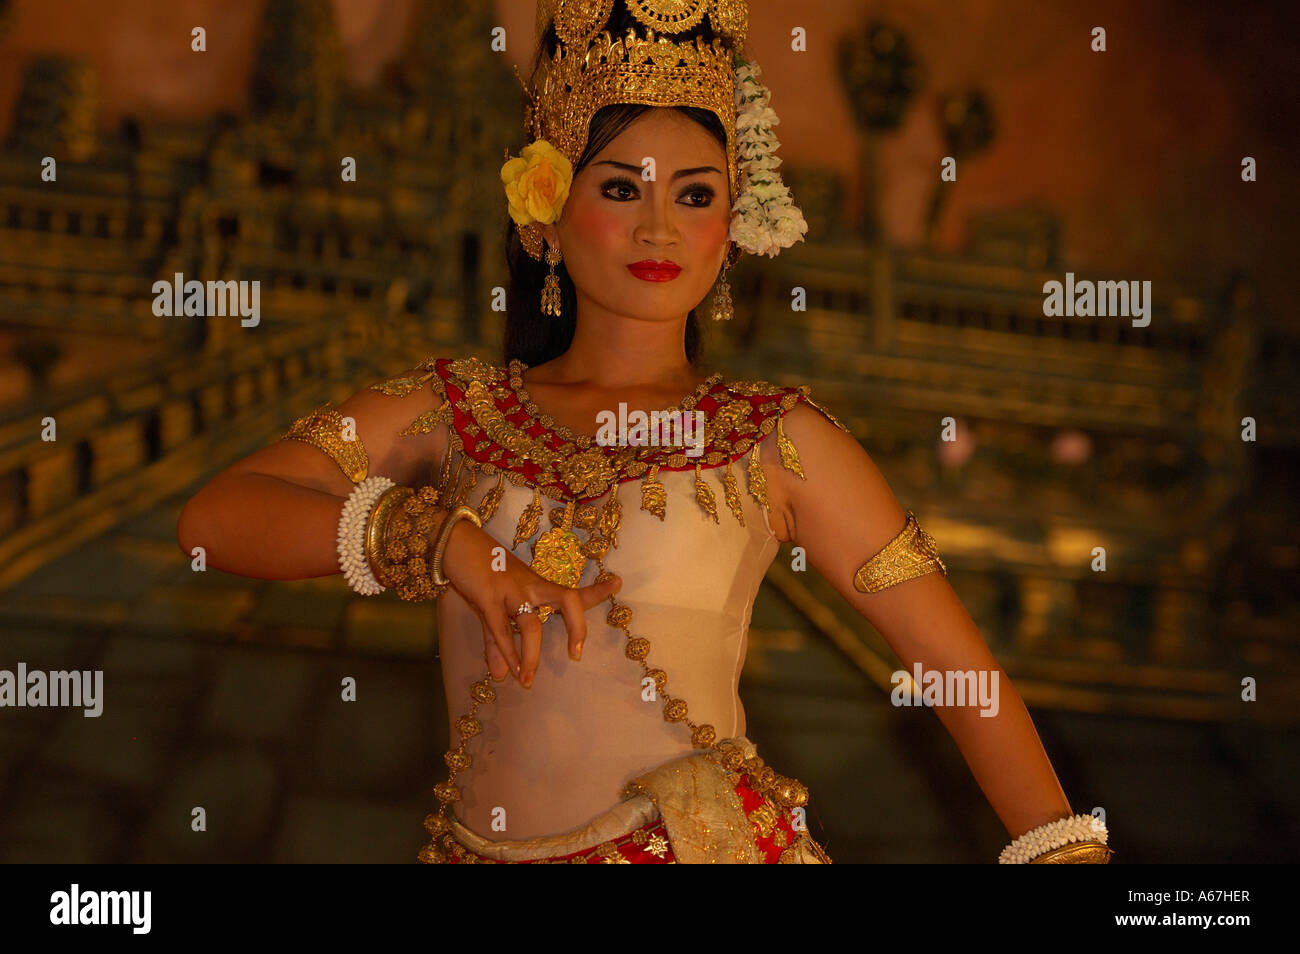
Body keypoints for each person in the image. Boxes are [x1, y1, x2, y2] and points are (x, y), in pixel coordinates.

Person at [176, 0, 1111, 865]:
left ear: (731, 226)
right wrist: (445, 541)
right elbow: (215, 521)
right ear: (547, 212)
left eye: (696, 196)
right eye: (622, 190)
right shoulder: (453, 413)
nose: (659, 228)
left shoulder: (773, 440)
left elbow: (959, 675)